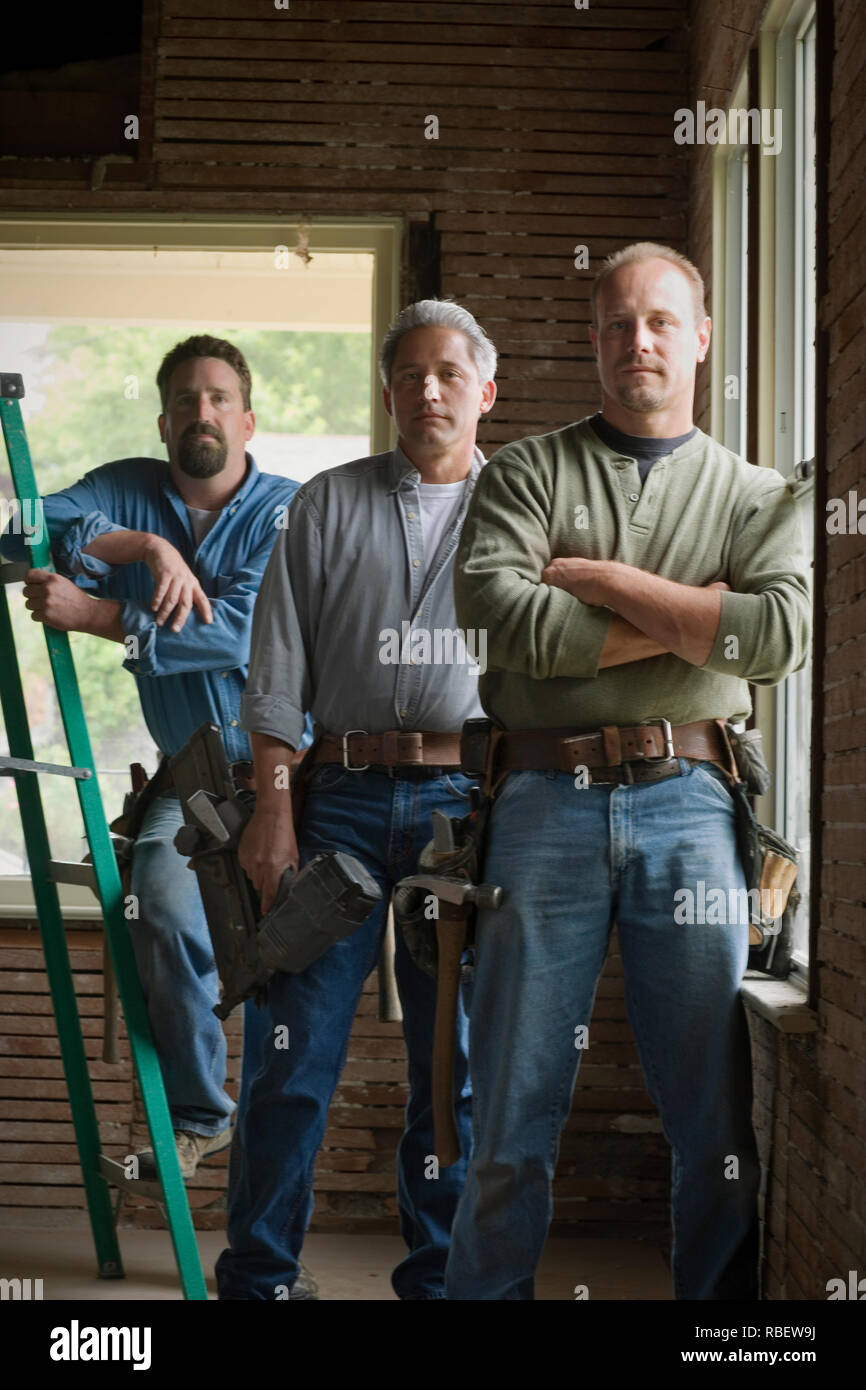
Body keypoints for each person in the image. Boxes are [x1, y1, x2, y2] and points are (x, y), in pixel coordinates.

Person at [446, 242, 811, 1300]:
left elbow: (778, 635)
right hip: (536, 803)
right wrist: (694, 616)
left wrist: (603, 582)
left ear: (700, 337)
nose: (634, 341)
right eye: (613, 323)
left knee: (710, 1115)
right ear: (590, 340)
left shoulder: (754, 494)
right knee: (510, 1105)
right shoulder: (520, 471)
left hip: (693, 806)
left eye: (657, 321)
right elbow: (499, 620)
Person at [215, 299, 498, 1300]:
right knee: (290, 1060)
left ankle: (435, 1280)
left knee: (448, 1067)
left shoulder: (518, 508)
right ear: (387, 395)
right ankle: (258, 1280)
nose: (427, 389)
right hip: (329, 798)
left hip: (461, 811)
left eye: (447, 374)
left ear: (482, 393)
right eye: (409, 375)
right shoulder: (323, 505)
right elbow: (277, 667)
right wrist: (272, 806)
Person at [1, 335, 306, 1192]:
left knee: (297, 956)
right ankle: (203, 1115)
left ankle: (273, 1206)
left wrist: (102, 613)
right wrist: (141, 547)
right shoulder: (127, 485)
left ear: (247, 420)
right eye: (183, 400)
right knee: (161, 911)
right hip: (190, 778)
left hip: (294, 773)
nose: (199, 413)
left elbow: (240, 628)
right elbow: (25, 525)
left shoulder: (290, 510)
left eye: (217, 399)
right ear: (164, 417)